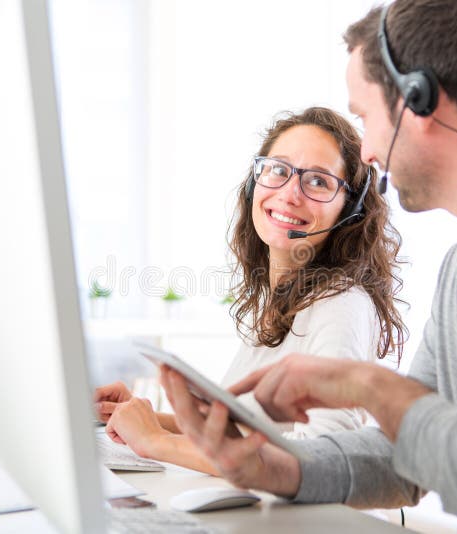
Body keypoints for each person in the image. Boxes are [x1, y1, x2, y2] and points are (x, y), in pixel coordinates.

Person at [160, 1, 457, 532]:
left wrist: (371, 386)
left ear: (420, 99)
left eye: (365, 116)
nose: (365, 150)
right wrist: (276, 467)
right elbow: (408, 456)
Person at [94, 107, 406, 474]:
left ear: (349, 210)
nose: (290, 193)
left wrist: (155, 442)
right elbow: (249, 436)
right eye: (278, 170)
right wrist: (143, 417)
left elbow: (323, 459)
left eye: (318, 181)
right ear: (253, 184)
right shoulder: (286, 299)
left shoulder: (340, 304)